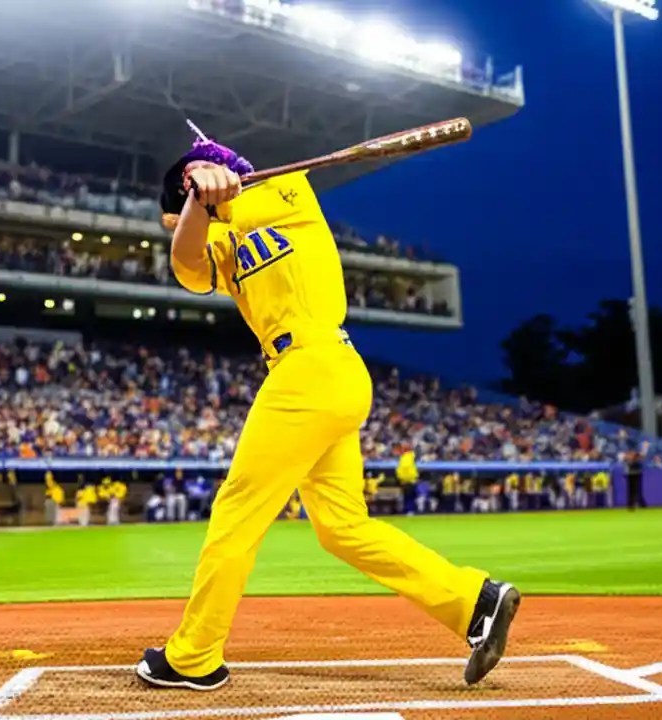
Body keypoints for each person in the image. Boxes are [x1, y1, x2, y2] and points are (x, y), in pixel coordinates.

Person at [135, 127, 519, 692]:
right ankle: (473, 601)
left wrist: (211, 173)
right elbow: (186, 261)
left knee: (238, 511)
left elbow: (245, 192)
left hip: (314, 365)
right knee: (342, 527)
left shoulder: (287, 188)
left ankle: (194, 655)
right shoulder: (220, 239)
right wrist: (199, 200)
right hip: (318, 376)